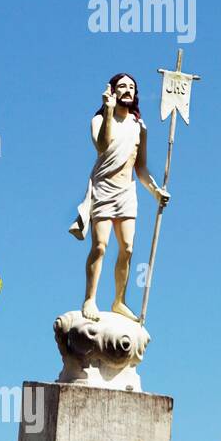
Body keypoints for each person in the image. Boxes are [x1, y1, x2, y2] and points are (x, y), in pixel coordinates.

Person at [69, 73, 169, 321]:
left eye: (131, 87)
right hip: (103, 189)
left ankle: (119, 300)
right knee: (100, 246)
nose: (127, 90)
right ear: (112, 91)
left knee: (127, 247)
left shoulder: (139, 127)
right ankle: (90, 298)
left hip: (127, 192)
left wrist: (156, 191)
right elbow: (102, 146)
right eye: (122, 86)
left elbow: (141, 167)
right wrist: (109, 112)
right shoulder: (100, 120)